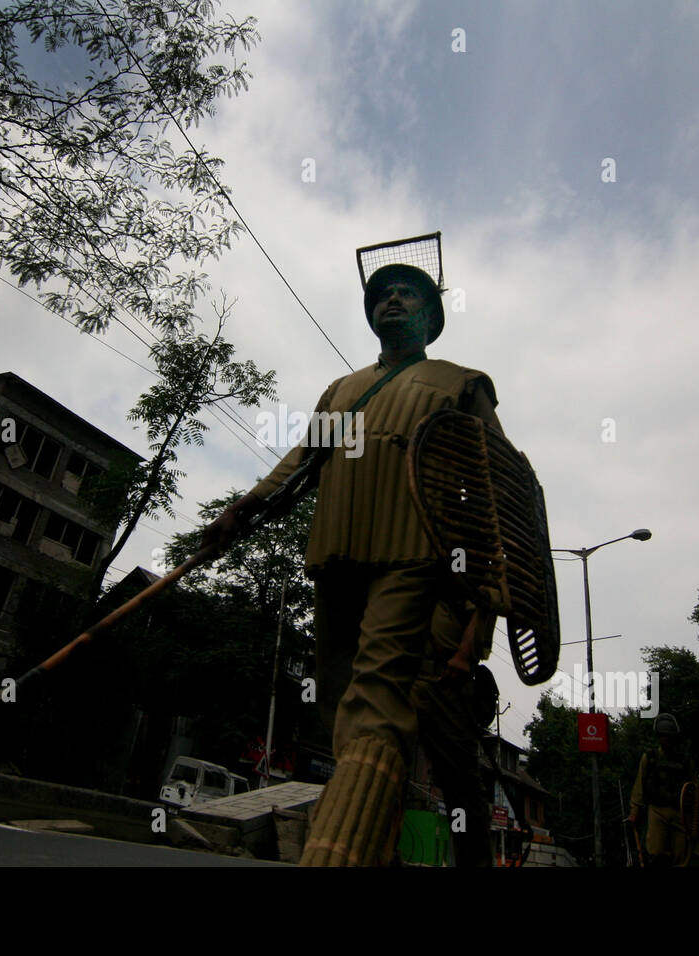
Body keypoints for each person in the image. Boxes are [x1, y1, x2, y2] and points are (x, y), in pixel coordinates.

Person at [203, 258, 503, 866]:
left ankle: (344, 853)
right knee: (341, 704)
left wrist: (483, 611)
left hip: (412, 554)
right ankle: (379, 844)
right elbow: (302, 459)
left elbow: (497, 484)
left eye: (408, 294)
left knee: (377, 691)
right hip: (337, 555)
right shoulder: (342, 389)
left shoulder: (460, 382)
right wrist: (245, 505)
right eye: (382, 295)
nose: (393, 300)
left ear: (432, 316)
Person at [411, 599, 497, 867]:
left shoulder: (466, 558)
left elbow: (485, 598)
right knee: (379, 768)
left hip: (447, 679)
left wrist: (463, 653)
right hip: (400, 672)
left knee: (463, 790)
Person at [627, 712, 697, 867]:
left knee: (681, 856)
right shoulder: (650, 758)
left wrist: (694, 820)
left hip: (680, 813)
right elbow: (639, 787)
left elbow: (694, 790)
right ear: (658, 736)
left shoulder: (685, 760)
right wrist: (634, 812)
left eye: (669, 736)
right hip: (656, 810)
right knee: (655, 853)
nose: (666, 739)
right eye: (663, 735)